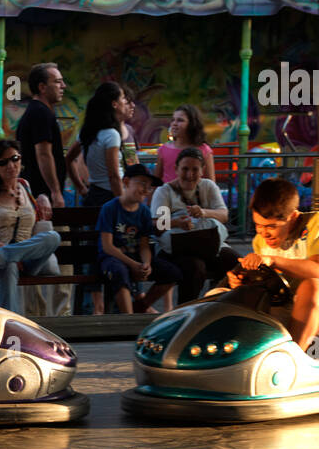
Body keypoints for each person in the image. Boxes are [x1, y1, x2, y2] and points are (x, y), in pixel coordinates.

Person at [226, 177, 319, 352]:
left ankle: (293, 358)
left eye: (271, 226)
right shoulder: (260, 241)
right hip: (284, 305)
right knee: (224, 295)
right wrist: (241, 281)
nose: (264, 233)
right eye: (258, 225)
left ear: (293, 217)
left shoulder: (316, 223)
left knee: (311, 286)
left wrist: (273, 261)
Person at [0, 139, 63, 316]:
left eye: (15, 158)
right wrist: (1, 249)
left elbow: (39, 208)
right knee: (7, 264)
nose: (11, 165)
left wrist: (43, 197)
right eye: (3, 162)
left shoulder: (25, 187)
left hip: (27, 259)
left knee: (53, 237)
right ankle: (10, 326)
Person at [150, 147, 238, 303]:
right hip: (177, 246)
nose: (190, 175)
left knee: (236, 264)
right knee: (195, 268)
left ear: (202, 170)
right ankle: (185, 312)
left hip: (208, 244)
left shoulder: (208, 187)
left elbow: (224, 215)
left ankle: (223, 305)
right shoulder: (164, 192)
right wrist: (178, 222)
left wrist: (203, 212)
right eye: (185, 169)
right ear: (176, 169)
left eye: (195, 169)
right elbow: (158, 225)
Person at [74, 81, 133, 314]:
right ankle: (115, 308)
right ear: (114, 104)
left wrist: (81, 187)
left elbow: (69, 160)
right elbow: (113, 174)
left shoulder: (89, 132)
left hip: (92, 196)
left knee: (94, 252)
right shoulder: (111, 134)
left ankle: (95, 307)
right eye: (123, 99)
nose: (126, 103)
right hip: (110, 197)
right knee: (116, 249)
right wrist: (123, 203)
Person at [96, 164, 181, 314]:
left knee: (172, 273)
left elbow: (144, 245)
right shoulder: (110, 208)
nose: (145, 190)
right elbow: (107, 246)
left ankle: (139, 308)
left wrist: (146, 264)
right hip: (112, 258)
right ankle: (129, 319)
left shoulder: (144, 212)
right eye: (142, 183)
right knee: (120, 272)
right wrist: (134, 264)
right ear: (127, 182)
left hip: (136, 257)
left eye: (149, 187)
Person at [16, 62, 69, 209]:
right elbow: (44, 154)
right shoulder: (40, 113)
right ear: (42, 87)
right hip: (42, 196)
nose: (63, 86)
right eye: (58, 82)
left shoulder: (38, 111)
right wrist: (55, 192)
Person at [155, 105, 216, 184]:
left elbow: (211, 183)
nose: (174, 123)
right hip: (169, 195)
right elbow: (156, 181)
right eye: (173, 120)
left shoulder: (204, 150)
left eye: (180, 120)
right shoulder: (163, 149)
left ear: (192, 124)